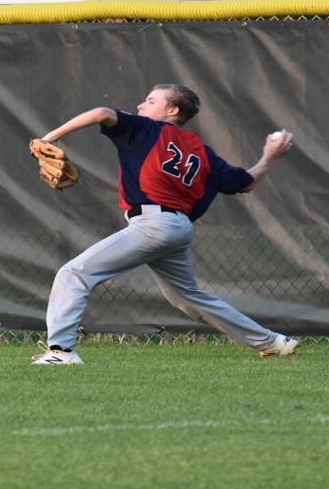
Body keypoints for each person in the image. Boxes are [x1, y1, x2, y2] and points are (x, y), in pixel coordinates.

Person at [30, 84, 299, 366]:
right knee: (188, 297)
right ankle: (272, 342)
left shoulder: (145, 129)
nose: (140, 107)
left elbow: (100, 112)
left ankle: (61, 353)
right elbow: (246, 182)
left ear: (172, 110)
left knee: (74, 274)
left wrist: (50, 138)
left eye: (149, 101)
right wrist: (270, 156)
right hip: (177, 229)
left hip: (152, 225)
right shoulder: (200, 151)